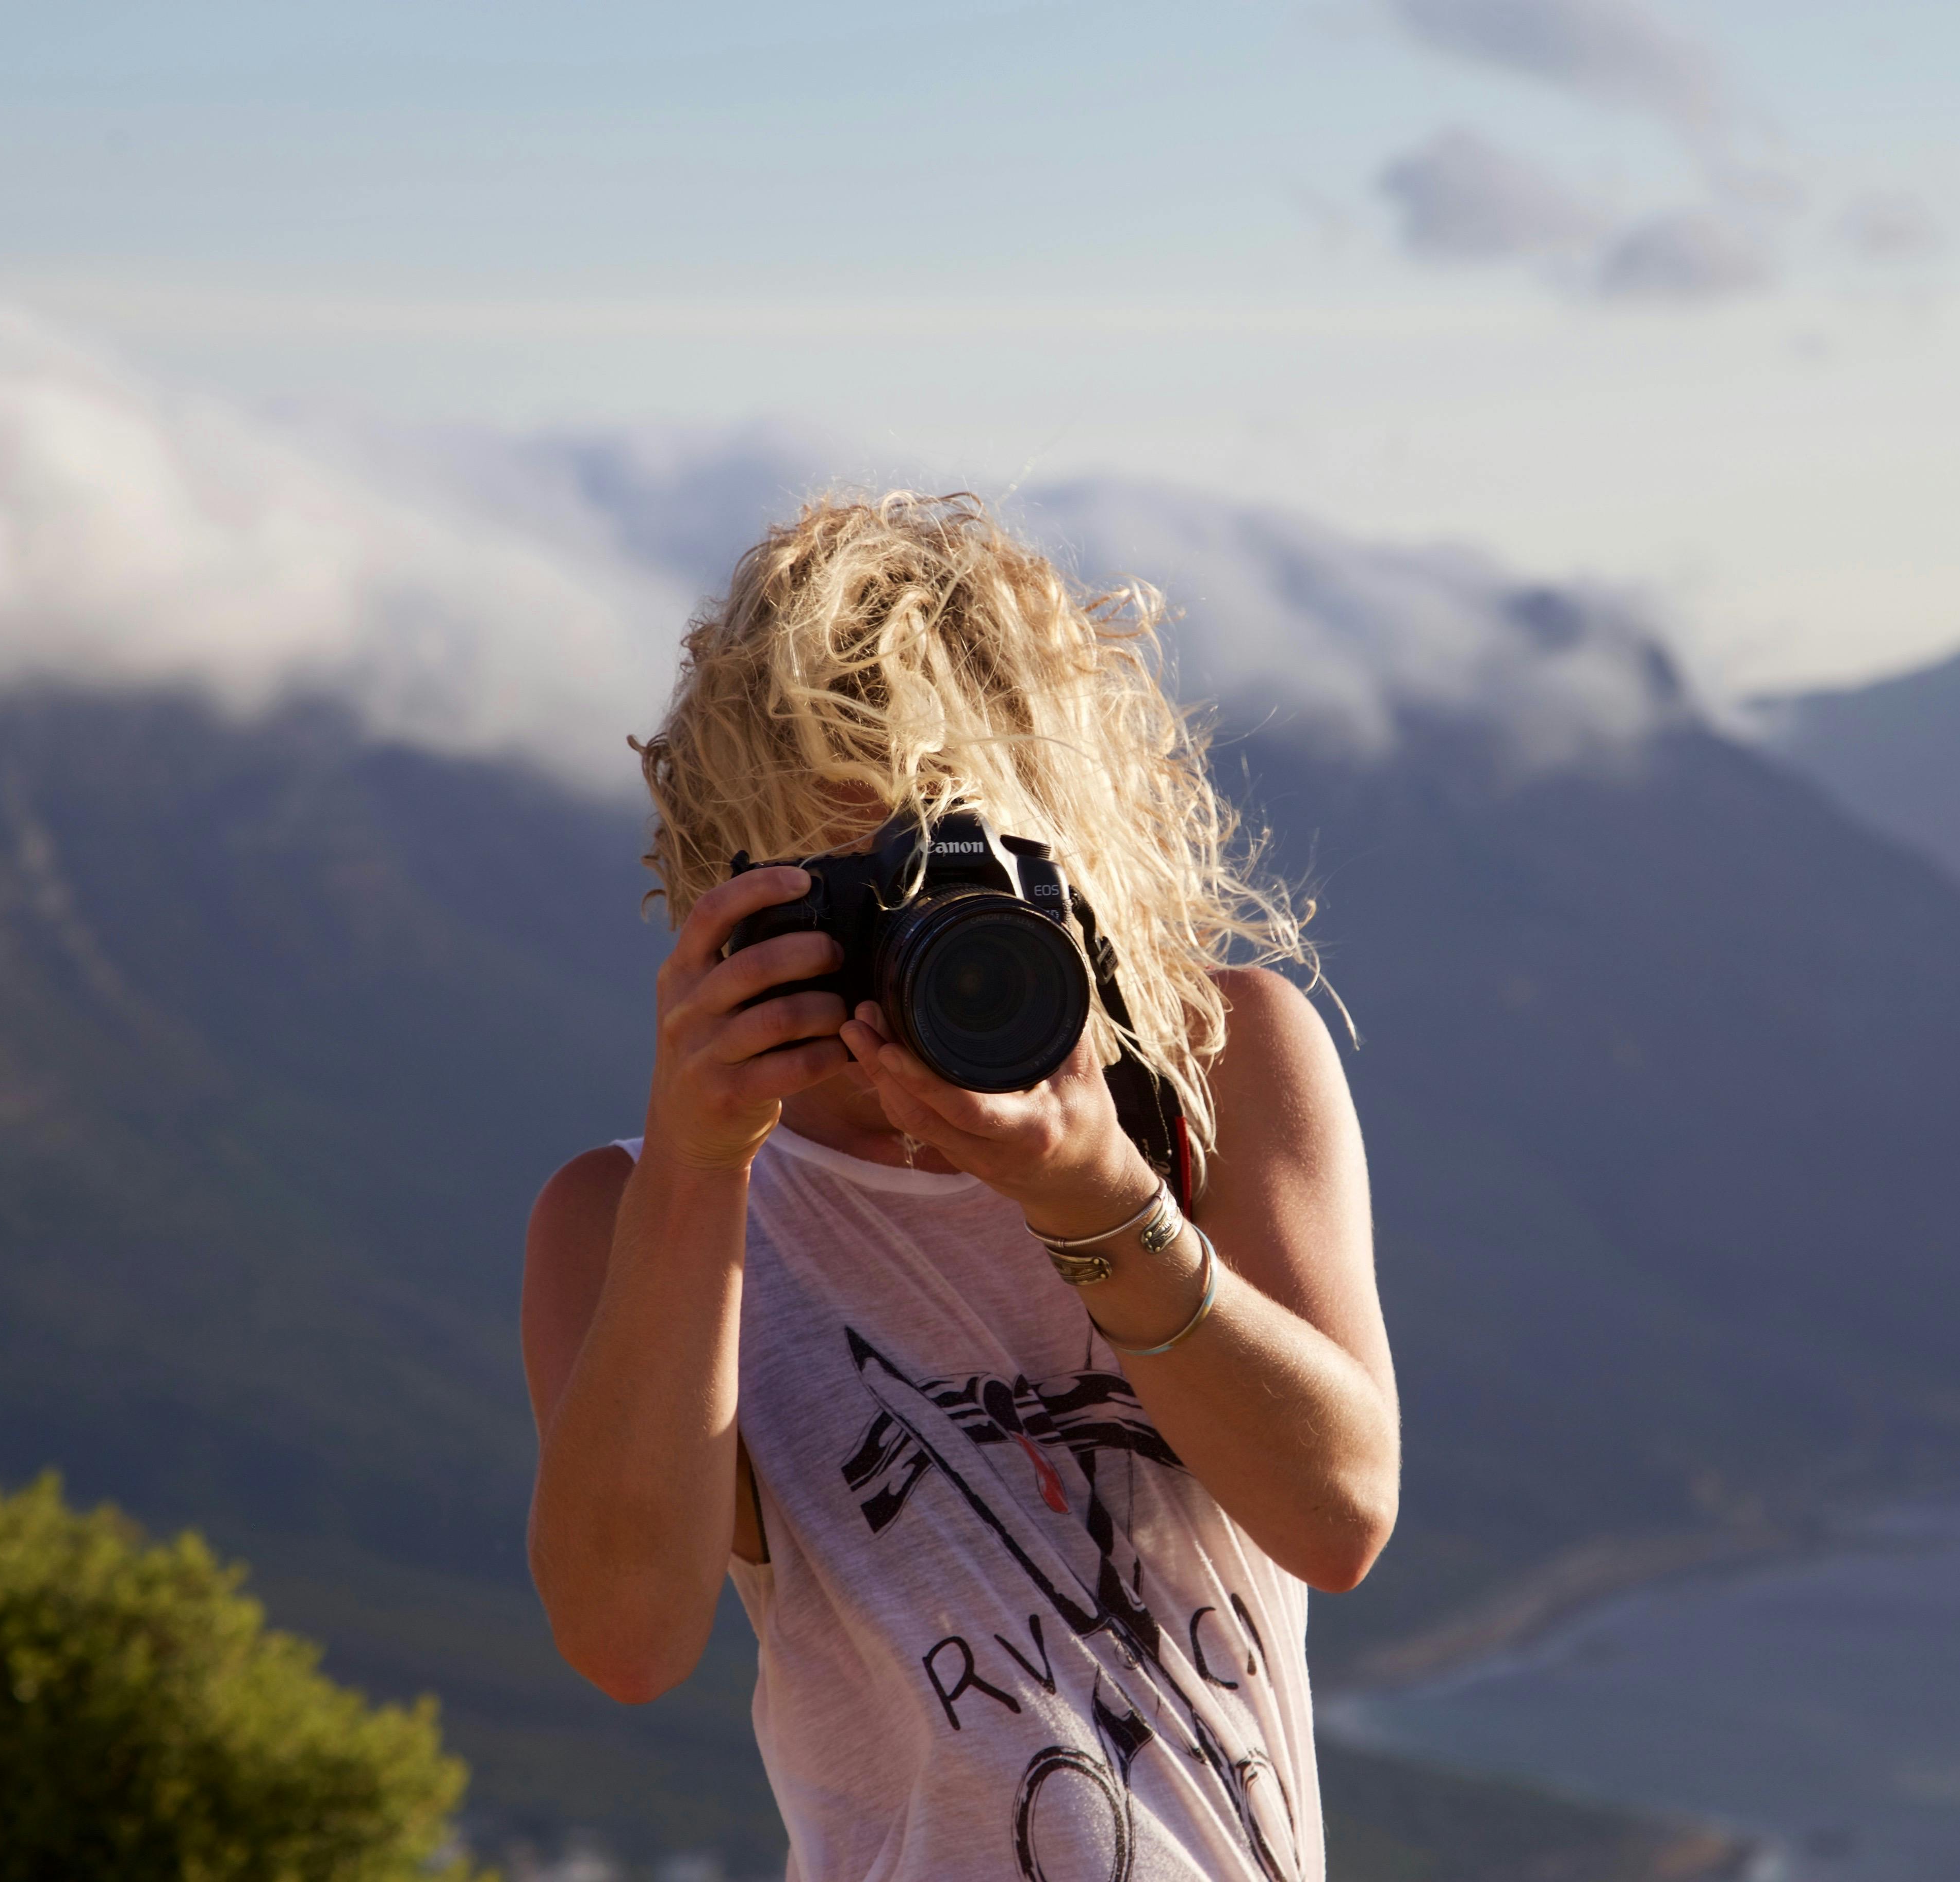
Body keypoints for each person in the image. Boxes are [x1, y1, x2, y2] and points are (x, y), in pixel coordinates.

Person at [519, 493, 1398, 1881]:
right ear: (721, 883)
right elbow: (626, 1639)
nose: (899, 955)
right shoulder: (627, 1215)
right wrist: (698, 1166)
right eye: (835, 897)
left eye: (953, 875)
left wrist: (1098, 1197)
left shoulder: (1210, 1070)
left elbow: (1338, 1515)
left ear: (1079, 850)